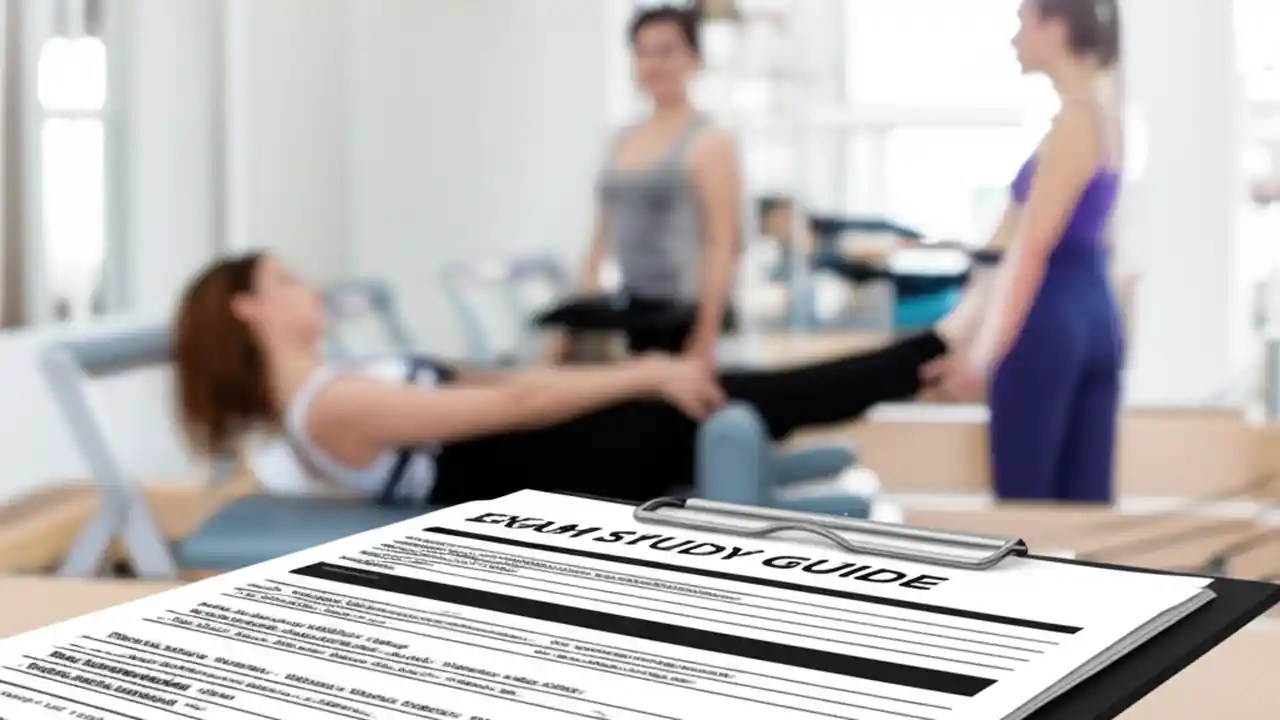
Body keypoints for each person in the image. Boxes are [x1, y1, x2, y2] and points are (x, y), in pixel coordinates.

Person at [174, 253, 960, 506]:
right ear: (248, 309)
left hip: (554, 446)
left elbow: (496, 379)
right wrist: (642, 370)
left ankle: (925, 360)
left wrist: (631, 372)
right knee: (734, 398)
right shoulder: (330, 406)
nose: (306, 282)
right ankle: (931, 355)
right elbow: (510, 404)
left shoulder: (336, 381)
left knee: (740, 394)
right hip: (551, 467)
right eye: (286, 278)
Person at [935, 0, 1125, 503]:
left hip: (1049, 318)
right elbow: (1007, 246)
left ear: (1055, 27)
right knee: (1080, 511)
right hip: (1093, 311)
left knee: (1025, 511)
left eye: (1022, 22)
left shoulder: (1075, 125)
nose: (1015, 38)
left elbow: (1029, 254)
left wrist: (981, 356)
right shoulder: (1101, 112)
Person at [564, 6, 740, 365]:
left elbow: (722, 243)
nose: (654, 64)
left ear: (694, 59)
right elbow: (602, 233)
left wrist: (704, 339)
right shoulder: (621, 141)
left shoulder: (709, 141)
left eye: (666, 52)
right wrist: (581, 308)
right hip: (634, 309)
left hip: (684, 311)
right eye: (643, 53)